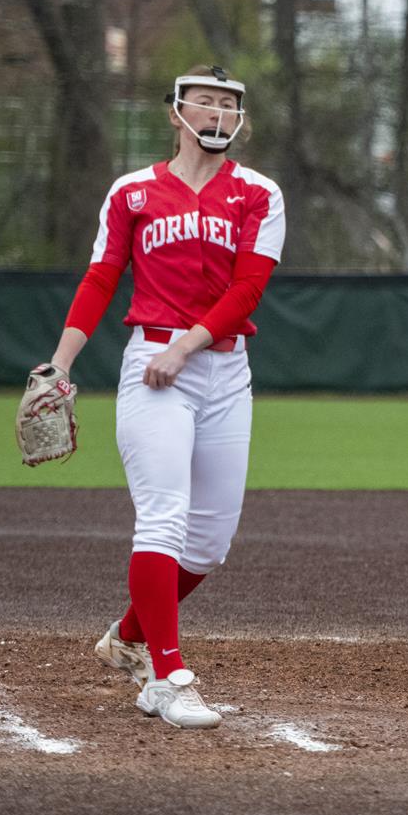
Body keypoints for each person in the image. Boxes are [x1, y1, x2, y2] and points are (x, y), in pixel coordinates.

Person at [36, 64, 286, 729]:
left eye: (229, 106)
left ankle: (127, 636)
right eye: (204, 102)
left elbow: (248, 292)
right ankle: (168, 677)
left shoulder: (260, 194)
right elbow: (100, 278)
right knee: (163, 515)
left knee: (208, 544)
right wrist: (60, 365)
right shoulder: (133, 192)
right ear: (176, 113)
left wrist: (189, 345)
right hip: (152, 363)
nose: (217, 114)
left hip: (222, 368)